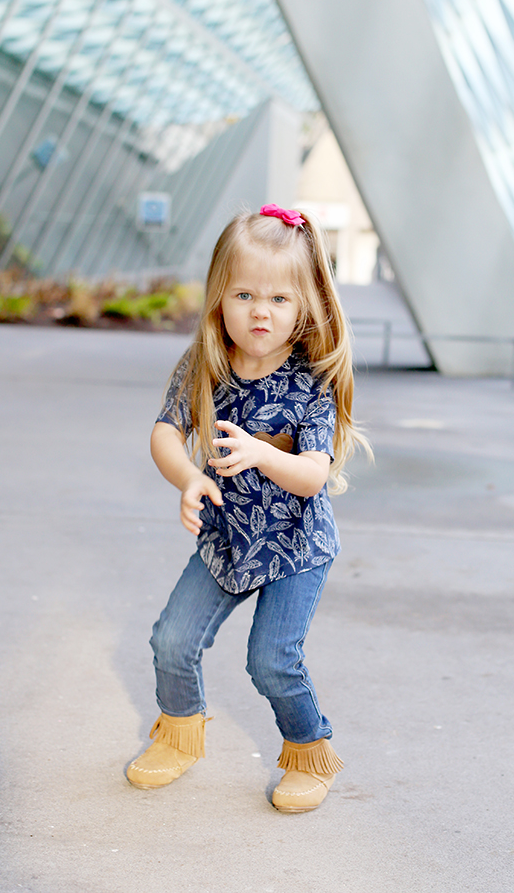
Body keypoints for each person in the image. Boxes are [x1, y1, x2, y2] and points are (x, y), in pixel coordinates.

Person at [126, 203, 370, 813]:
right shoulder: (205, 365)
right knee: (172, 640)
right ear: (218, 298)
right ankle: (179, 735)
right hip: (228, 538)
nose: (260, 311)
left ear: (305, 307)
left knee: (272, 660)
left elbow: (313, 475)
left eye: (280, 300)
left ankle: (309, 752)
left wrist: (261, 451)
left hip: (293, 546)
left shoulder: (310, 379)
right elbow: (164, 432)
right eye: (243, 293)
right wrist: (186, 477)